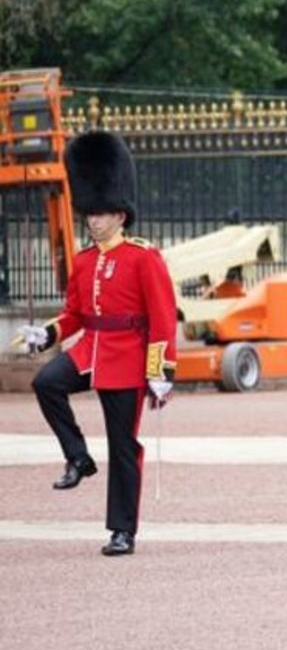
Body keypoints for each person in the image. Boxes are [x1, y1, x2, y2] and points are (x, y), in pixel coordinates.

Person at [25, 131, 177, 557]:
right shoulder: (84, 260)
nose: (93, 221)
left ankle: (122, 530)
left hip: (128, 357)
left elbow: (163, 317)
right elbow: (75, 312)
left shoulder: (144, 257)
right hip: (89, 349)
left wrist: (161, 371)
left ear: (120, 215)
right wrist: (50, 333)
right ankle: (77, 458)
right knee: (46, 384)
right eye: (89, 213)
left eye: (102, 213)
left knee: (123, 447)